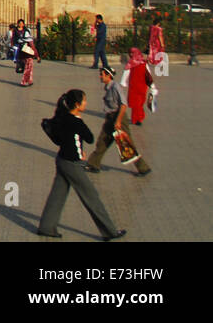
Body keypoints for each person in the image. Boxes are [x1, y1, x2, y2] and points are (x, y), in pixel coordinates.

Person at [36, 88, 126, 240]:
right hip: (72, 164)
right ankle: (110, 231)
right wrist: (79, 152)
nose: (86, 103)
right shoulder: (76, 122)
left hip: (62, 160)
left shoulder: (62, 117)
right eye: (84, 101)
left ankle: (46, 227)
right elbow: (90, 138)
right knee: (91, 197)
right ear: (77, 105)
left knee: (57, 195)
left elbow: (63, 139)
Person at [86, 66, 151, 176]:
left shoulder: (115, 87)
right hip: (110, 118)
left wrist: (118, 121)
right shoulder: (107, 87)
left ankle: (143, 168)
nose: (100, 76)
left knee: (126, 144)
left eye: (102, 74)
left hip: (118, 118)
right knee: (103, 141)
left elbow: (123, 105)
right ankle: (93, 164)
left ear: (108, 75)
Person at [122, 47, 153, 126]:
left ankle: (138, 118)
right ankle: (137, 119)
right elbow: (126, 72)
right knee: (137, 103)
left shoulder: (139, 63)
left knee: (139, 103)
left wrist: (151, 85)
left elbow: (148, 75)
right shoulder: (136, 63)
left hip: (139, 87)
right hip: (137, 87)